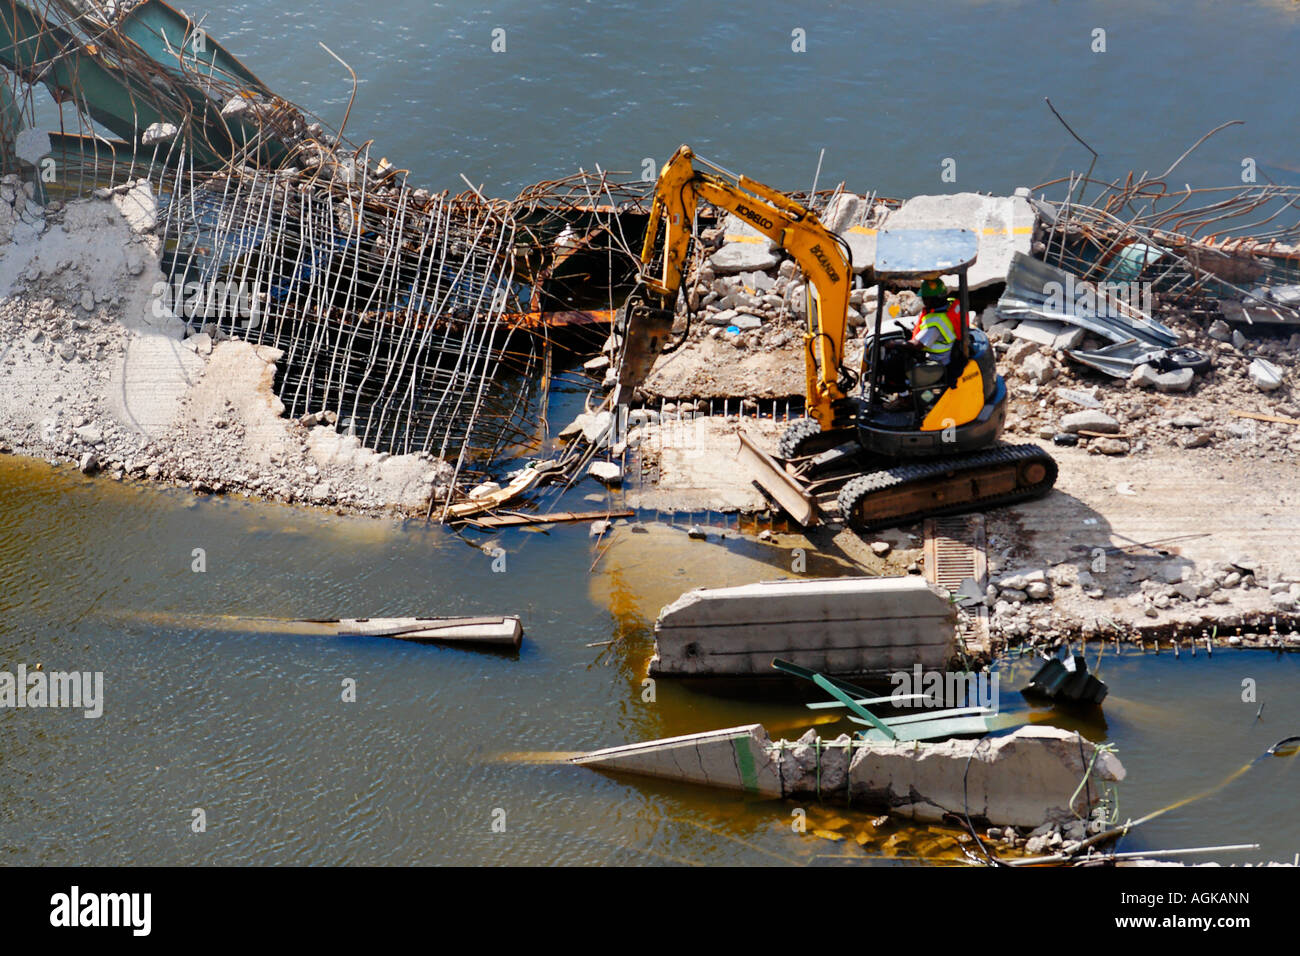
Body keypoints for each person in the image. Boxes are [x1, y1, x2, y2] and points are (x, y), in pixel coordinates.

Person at [876, 278, 960, 407]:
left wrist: (894, 344)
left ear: (935, 299)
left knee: (895, 358)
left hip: (937, 362)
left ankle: (904, 397)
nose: (923, 301)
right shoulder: (946, 309)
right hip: (940, 355)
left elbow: (917, 345)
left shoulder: (935, 324)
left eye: (925, 298)